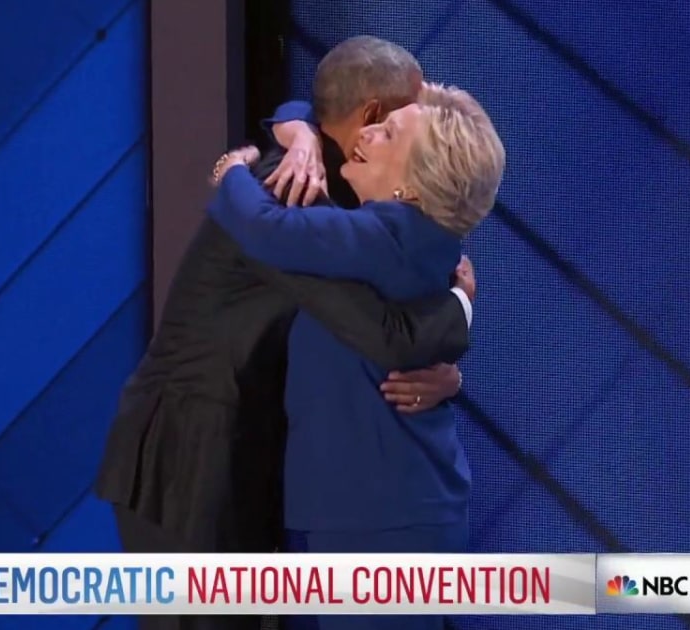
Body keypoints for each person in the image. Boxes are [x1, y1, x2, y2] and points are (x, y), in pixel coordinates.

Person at [94, 37, 475, 630]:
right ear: (373, 118)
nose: (422, 115)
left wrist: (447, 371)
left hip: (243, 449)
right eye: (408, 110)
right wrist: (459, 309)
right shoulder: (288, 193)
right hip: (190, 457)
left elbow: (376, 321)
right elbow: (381, 333)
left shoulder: (354, 190)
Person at [209, 82, 505, 630]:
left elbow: (262, 226)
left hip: (377, 520)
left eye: (387, 131)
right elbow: (308, 108)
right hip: (388, 509)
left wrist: (232, 169)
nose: (366, 132)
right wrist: (300, 133)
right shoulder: (426, 238)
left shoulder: (376, 235)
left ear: (413, 186)